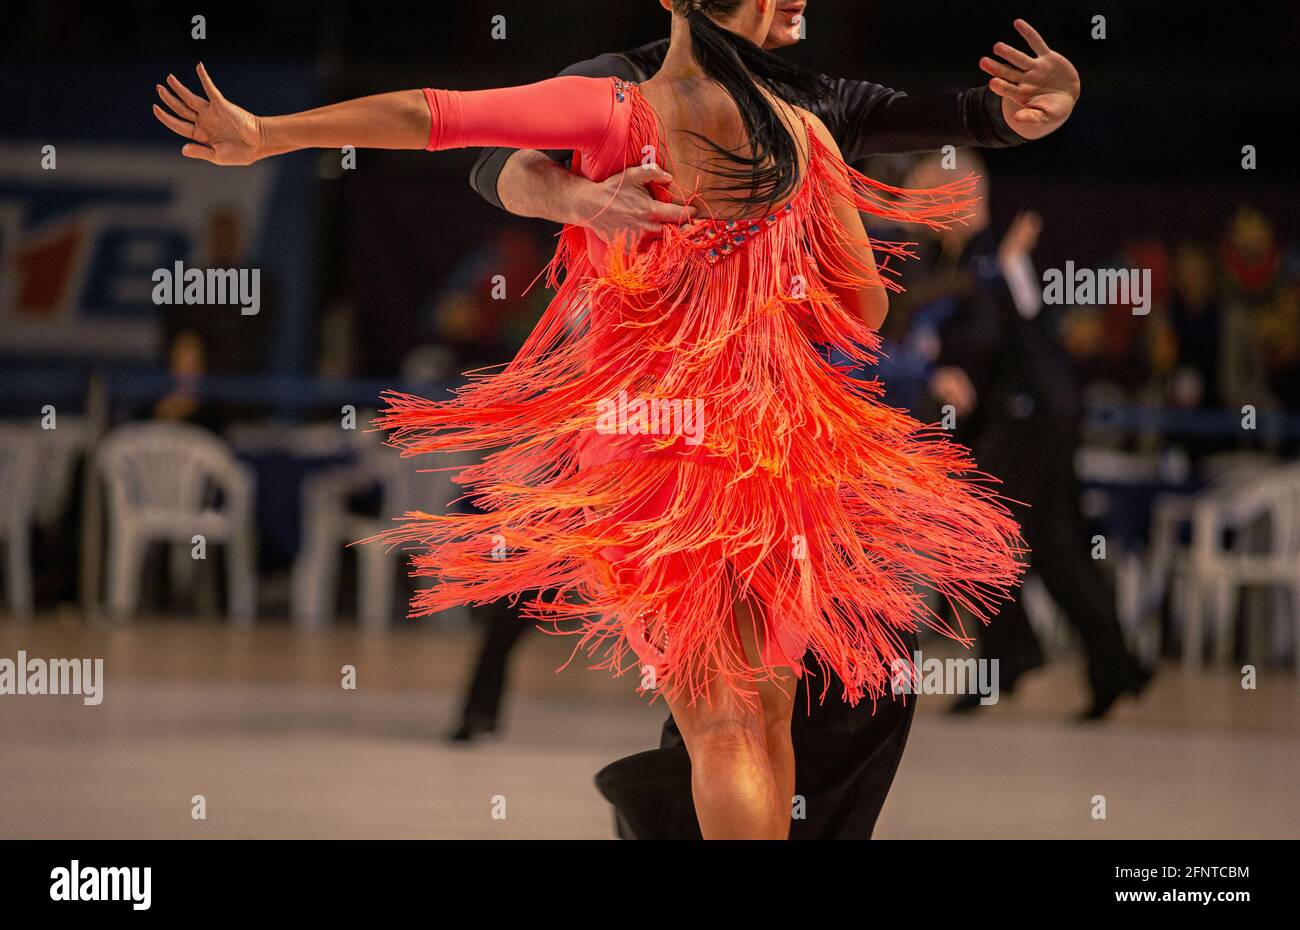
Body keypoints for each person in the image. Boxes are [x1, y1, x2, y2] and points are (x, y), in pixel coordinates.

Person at [153, 0, 1026, 839]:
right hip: (775, 451)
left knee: (715, 724)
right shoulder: (806, 135)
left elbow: (441, 117)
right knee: (766, 713)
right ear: (761, 13)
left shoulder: (621, 112)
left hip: (649, 448)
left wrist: (269, 134)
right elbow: (866, 307)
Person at [451, 5, 1080, 754]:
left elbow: (929, 118)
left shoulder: (804, 107)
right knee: (682, 669)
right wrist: (582, 200)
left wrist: (1016, 118)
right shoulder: (627, 84)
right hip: (638, 422)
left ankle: (699, 801)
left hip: (764, 448)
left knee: (821, 690)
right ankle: (511, 722)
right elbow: (493, 161)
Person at [901, 150, 1152, 721]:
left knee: (961, 520)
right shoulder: (974, 261)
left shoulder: (989, 259)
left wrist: (940, 360)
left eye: (924, 193)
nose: (914, 207)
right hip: (1038, 410)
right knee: (1055, 542)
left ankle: (1014, 654)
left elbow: (995, 336)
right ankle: (1114, 664)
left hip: (1033, 411)